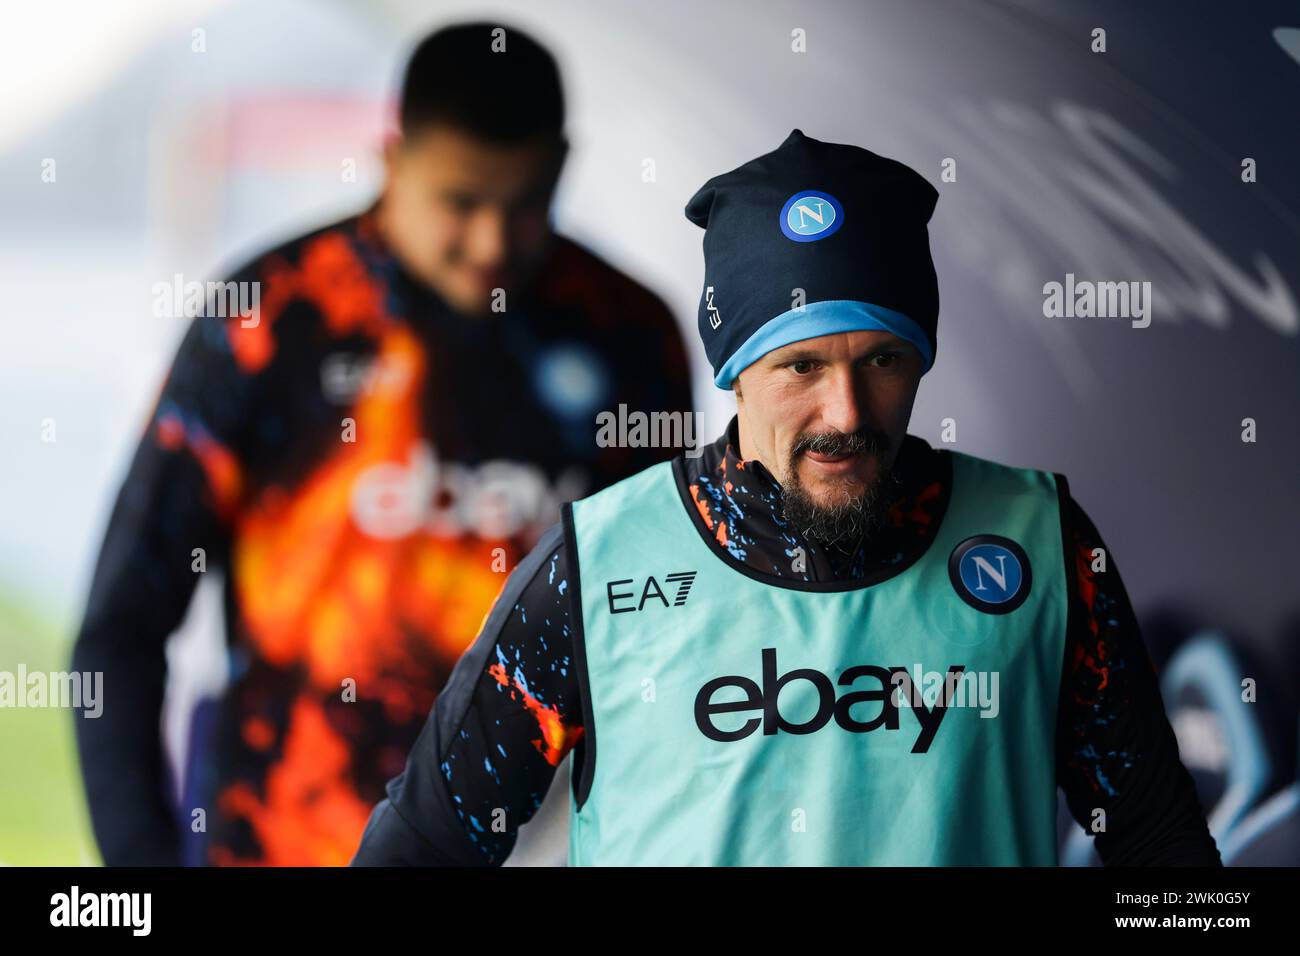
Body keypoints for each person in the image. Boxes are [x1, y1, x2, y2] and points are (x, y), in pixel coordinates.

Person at [351, 128, 1221, 866]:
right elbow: (423, 847)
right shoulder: (599, 565)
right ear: (733, 375)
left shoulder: (1038, 545)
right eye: (800, 366)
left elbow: (1168, 862)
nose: (844, 414)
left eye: (882, 359)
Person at [71, 21, 693, 866]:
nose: (491, 243)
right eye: (460, 202)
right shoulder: (268, 319)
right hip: (284, 838)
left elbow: (668, 625)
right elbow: (121, 630)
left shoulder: (631, 338)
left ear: (561, 166)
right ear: (392, 159)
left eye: (525, 204)